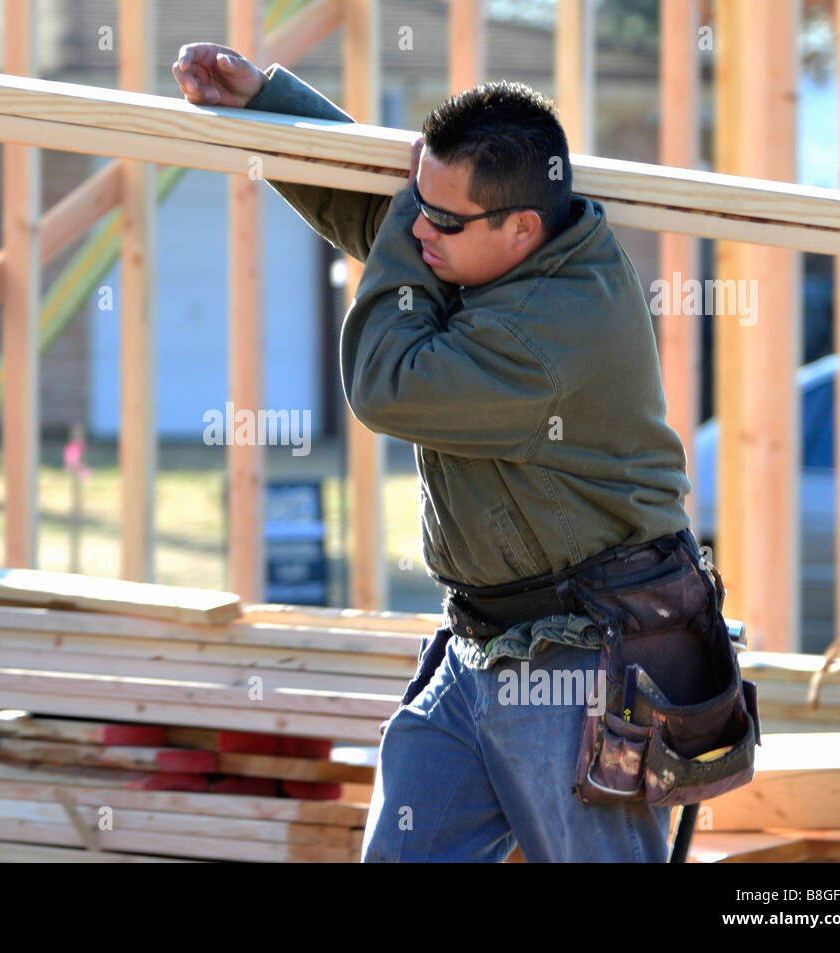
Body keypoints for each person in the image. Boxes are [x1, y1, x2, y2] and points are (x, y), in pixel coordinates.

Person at [172, 45, 709, 862]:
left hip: (576, 661)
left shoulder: (549, 333)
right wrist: (269, 104)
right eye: (423, 204)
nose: (420, 229)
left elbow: (389, 381)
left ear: (520, 226)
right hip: (483, 643)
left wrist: (403, 222)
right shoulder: (510, 244)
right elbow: (393, 220)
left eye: (444, 221)